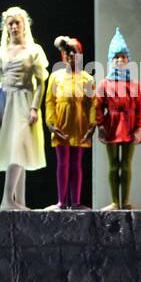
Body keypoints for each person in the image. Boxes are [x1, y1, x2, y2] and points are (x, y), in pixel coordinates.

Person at [0, 6, 49, 209]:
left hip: (24, 101)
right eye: (10, 23)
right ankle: (10, 200)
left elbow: (40, 83)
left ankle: (15, 200)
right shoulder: (0, 53)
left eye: (17, 23)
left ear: (24, 25)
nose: (14, 26)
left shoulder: (33, 51)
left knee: (20, 148)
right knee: (13, 150)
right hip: (6, 103)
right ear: (6, 26)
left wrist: (34, 108)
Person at [44, 36, 96, 209]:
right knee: (62, 163)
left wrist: (92, 125)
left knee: (76, 164)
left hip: (79, 125)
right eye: (68, 52)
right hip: (62, 125)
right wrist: (51, 124)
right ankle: (61, 200)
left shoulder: (87, 79)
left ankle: (75, 201)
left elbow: (92, 103)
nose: (71, 55)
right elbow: (50, 101)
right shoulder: (55, 76)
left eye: (75, 51)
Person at [95, 27, 141, 210]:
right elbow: (98, 105)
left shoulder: (134, 84)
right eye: (116, 57)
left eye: (123, 57)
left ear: (128, 60)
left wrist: (139, 128)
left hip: (129, 127)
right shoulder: (104, 84)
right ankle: (115, 201)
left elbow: (139, 108)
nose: (120, 60)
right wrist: (100, 125)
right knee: (114, 166)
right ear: (111, 61)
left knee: (127, 165)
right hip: (112, 126)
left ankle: (126, 201)